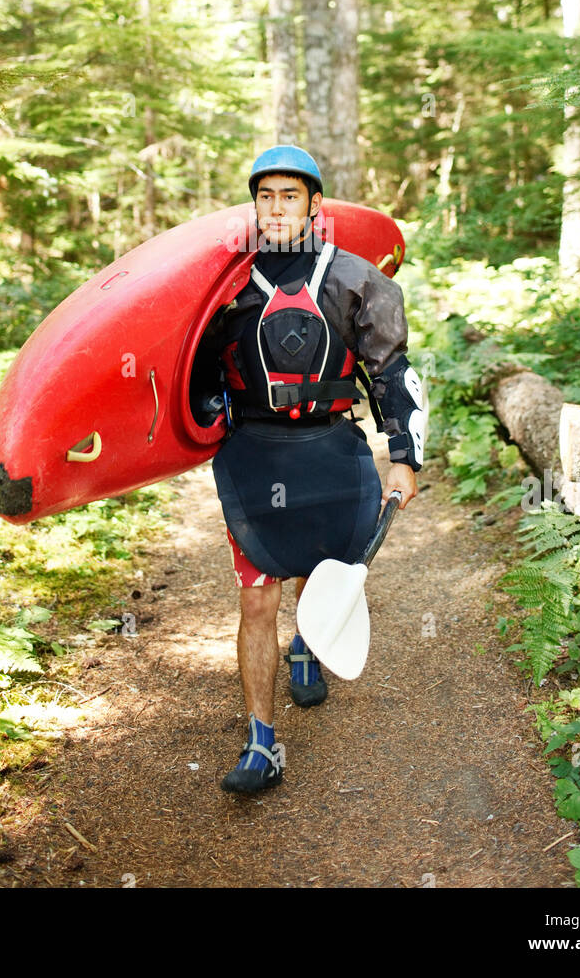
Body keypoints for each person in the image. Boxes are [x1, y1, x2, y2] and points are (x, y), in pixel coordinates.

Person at [198, 145, 426, 795]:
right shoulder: (225, 288)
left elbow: (391, 374)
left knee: (320, 567)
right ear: (255, 204)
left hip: (330, 447)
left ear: (314, 204)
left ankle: (308, 642)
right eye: (264, 196)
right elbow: (194, 373)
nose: (275, 207)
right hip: (254, 452)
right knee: (256, 593)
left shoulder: (358, 280)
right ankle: (262, 742)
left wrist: (403, 460)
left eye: (288, 195)